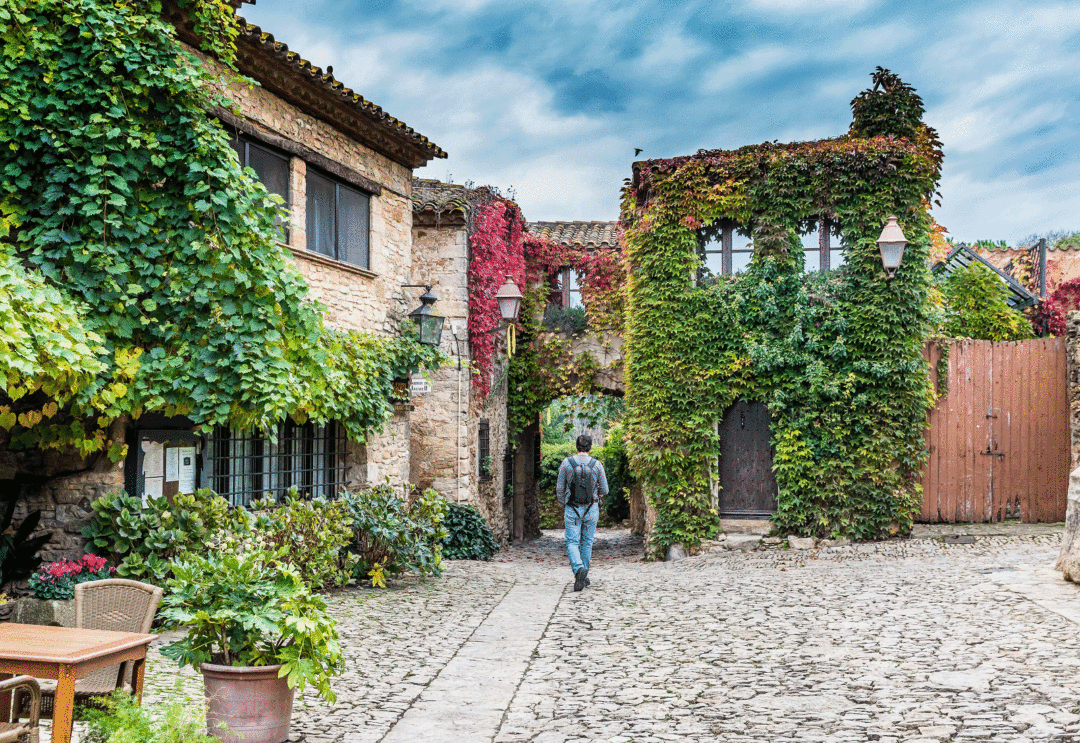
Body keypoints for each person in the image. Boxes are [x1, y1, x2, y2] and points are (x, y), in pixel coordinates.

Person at [556, 433, 609, 592]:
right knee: (587, 542)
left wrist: (564, 503)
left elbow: (560, 488)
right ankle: (584, 575)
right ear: (590, 447)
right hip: (591, 508)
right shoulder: (597, 465)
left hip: (572, 508)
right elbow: (605, 490)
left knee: (572, 542)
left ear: (576, 446)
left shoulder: (566, 463)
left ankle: (579, 569)